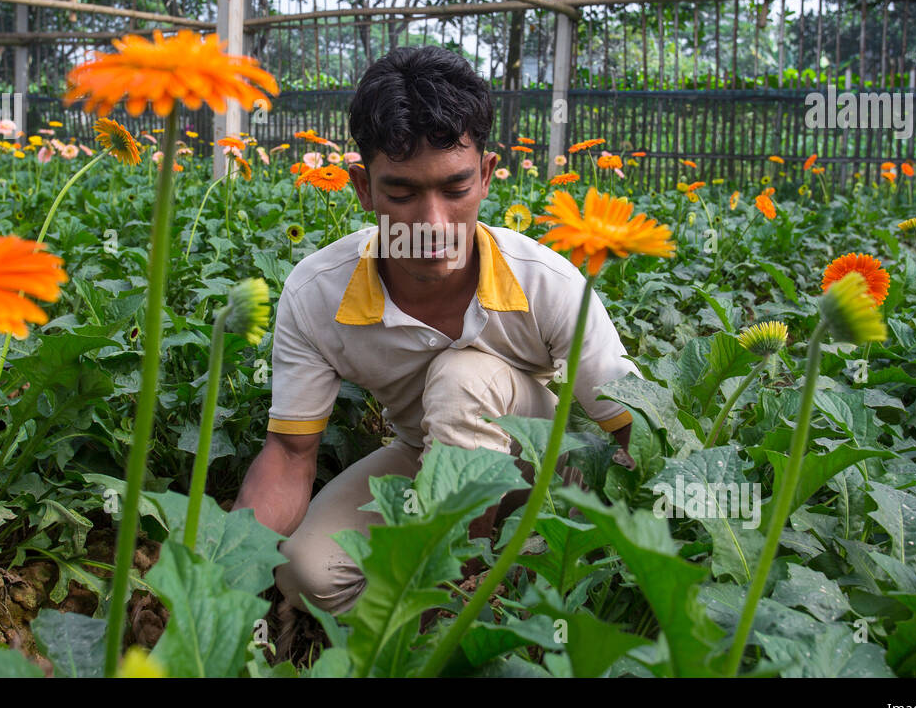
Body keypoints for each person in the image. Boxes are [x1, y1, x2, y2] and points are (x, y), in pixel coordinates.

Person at [231, 45, 639, 634]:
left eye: (455, 188)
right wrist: (220, 567)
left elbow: (632, 432)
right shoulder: (317, 293)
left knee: (463, 379)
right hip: (429, 453)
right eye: (401, 193)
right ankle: (467, 606)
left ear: (489, 174)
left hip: (549, 466)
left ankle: (466, 589)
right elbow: (292, 455)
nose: (433, 225)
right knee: (308, 571)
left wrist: (602, 529)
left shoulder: (545, 281)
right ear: (362, 187)